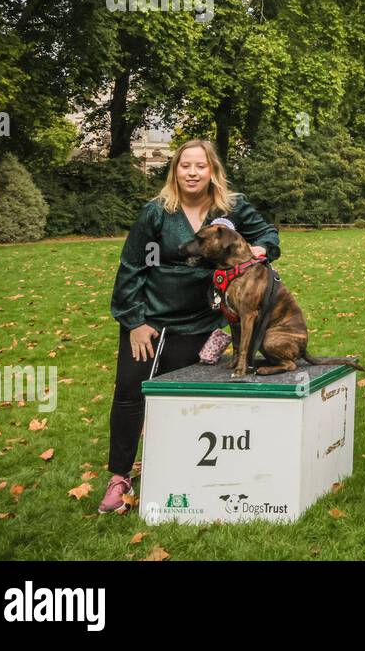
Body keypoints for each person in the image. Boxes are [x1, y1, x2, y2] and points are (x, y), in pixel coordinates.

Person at [100, 140, 279, 514]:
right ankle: (119, 476)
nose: (193, 173)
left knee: (185, 400)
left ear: (212, 170)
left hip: (204, 321)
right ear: (175, 171)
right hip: (154, 317)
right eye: (185, 166)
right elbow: (132, 266)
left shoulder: (232, 207)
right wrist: (135, 321)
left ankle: (180, 473)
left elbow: (269, 236)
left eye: (200, 166)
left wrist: (260, 250)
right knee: (132, 392)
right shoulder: (156, 212)